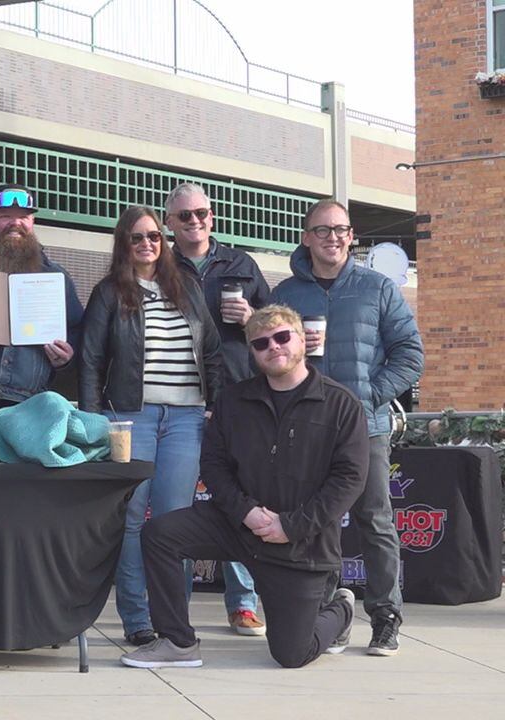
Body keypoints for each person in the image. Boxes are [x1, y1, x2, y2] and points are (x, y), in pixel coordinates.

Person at [120, 305, 367, 669]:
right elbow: (215, 466)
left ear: (302, 339)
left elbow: (349, 480)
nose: (274, 347)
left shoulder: (341, 404)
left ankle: (341, 609)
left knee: (292, 654)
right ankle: (177, 641)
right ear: (252, 352)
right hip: (238, 526)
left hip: (299, 542)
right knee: (160, 533)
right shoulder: (235, 400)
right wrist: (246, 512)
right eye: (261, 343)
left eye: (282, 337)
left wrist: (290, 526)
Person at [272, 199, 424, 656]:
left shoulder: (377, 288)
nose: (332, 238)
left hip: (366, 426)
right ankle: (329, 616)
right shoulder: (286, 294)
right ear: (306, 237)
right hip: (307, 429)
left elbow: (410, 355)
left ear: (352, 236)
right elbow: (269, 357)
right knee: (317, 526)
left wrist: (368, 397)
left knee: (374, 521)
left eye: (340, 229)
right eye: (322, 230)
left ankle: (385, 618)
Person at [77, 205, 222, 647]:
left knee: (175, 523)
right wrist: (93, 419)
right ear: (124, 243)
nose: (147, 244)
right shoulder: (108, 293)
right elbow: (90, 361)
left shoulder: (188, 289)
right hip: (129, 417)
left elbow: (212, 350)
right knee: (133, 522)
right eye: (137, 238)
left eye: (154, 237)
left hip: (185, 418)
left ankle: (174, 619)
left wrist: (214, 405)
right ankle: (137, 619)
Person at [166, 182, 271, 636]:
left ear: (213, 216)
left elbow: (276, 326)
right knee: (178, 505)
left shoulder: (241, 264)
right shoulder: (158, 264)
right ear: (170, 223)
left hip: (238, 398)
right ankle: (175, 601)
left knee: (243, 498)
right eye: (185, 216)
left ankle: (243, 603)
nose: (195, 221)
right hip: (181, 398)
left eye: (202, 213)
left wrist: (251, 318)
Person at [0, 184, 83, 409]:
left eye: (24, 217)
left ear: (32, 222)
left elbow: (78, 331)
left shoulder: (55, 276)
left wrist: (66, 358)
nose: (15, 223)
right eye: (5, 216)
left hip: (29, 406)